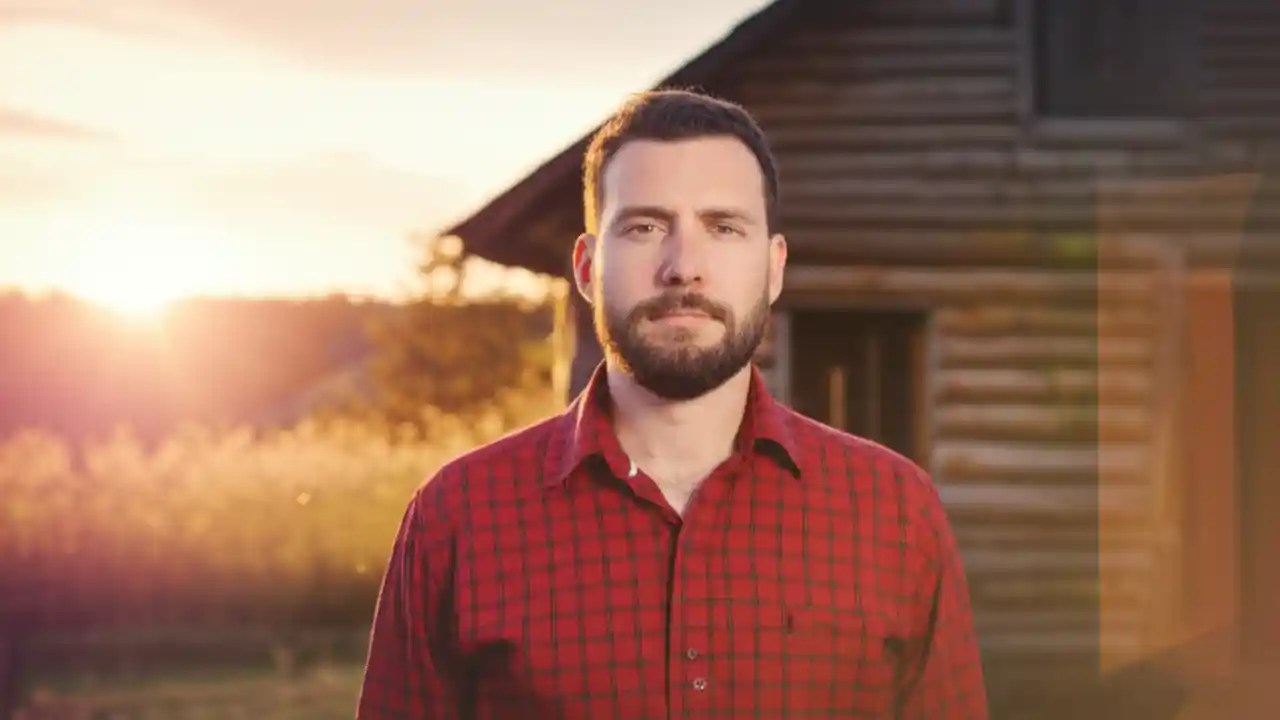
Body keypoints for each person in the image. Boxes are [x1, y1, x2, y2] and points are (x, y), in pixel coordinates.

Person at [356, 88, 988, 719]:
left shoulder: (895, 512)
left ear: (773, 268)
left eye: (723, 227)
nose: (684, 267)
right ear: (586, 267)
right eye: (645, 227)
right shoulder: (457, 518)